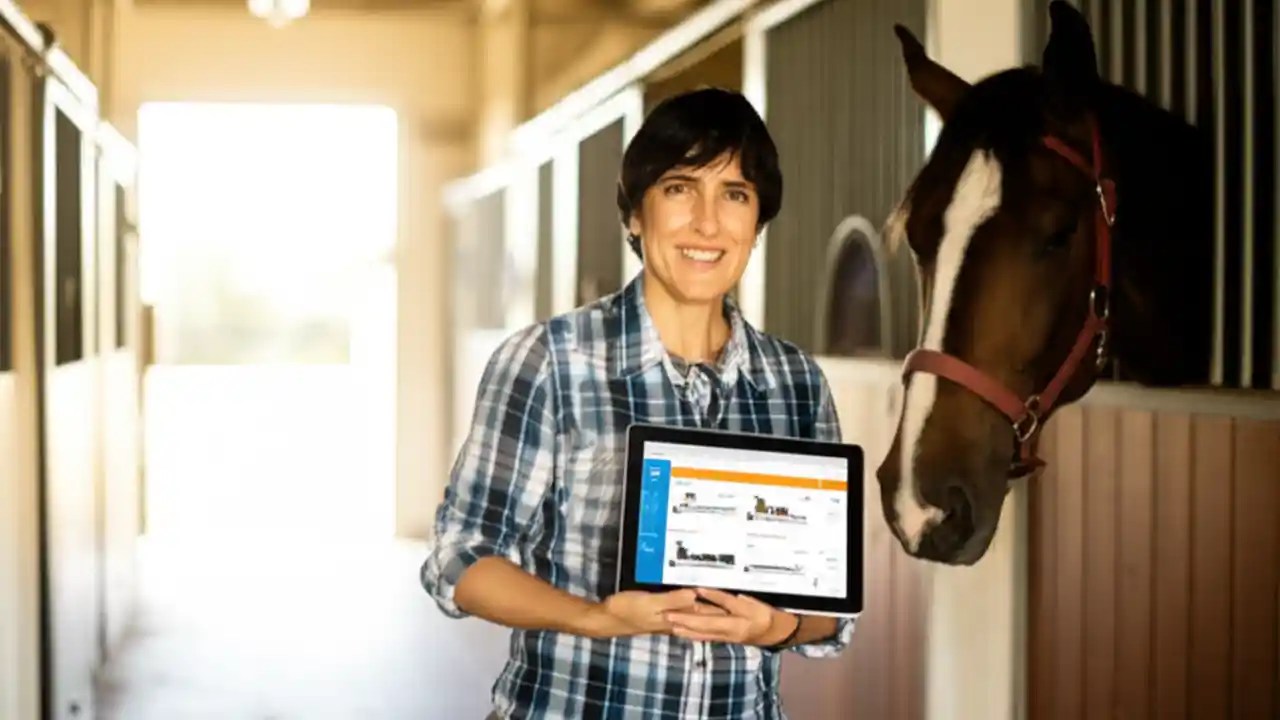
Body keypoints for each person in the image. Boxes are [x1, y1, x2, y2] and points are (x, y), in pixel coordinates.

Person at [420, 86, 856, 719]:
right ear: (634, 215)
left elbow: (828, 610)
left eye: (734, 194)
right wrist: (595, 617)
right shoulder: (550, 362)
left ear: (757, 224)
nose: (708, 222)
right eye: (680, 188)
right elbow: (459, 559)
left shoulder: (796, 383)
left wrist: (775, 628)